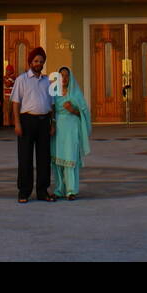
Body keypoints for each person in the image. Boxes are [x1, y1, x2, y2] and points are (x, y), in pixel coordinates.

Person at [12, 46, 55, 203]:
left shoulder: (47, 82)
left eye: (41, 61)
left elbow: (52, 105)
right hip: (27, 122)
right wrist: (17, 123)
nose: (38, 63)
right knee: (25, 158)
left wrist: (52, 123)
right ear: (30, 62)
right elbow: (16, 103)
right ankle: (24, 192)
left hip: (44, 122)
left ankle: (43, 191)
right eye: (36, 61)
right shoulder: (21, 80)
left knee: (44, 159)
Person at [51, 66, 91, 200]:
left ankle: (71, 190)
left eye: (66, 75)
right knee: (57, 159)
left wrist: (72, 110)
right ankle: (58, 189)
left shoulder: (75, 93)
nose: (64, 78)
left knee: (70, 158)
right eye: (61, 75)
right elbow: (49, 109)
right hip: (57, 129)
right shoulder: (54, 92)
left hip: (71, 129)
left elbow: (84, 113)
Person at [2, 64, 17, 128]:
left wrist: (4, 79)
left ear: (11, 71)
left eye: (8, 70)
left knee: (9, 110)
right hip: (7, 96)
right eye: (6, 70)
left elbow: (8, 84)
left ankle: (9, 124)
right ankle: (7, 123)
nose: (7, 71)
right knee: (6, 110)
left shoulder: (12, 77)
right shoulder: (8, 77)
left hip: (10, 96)